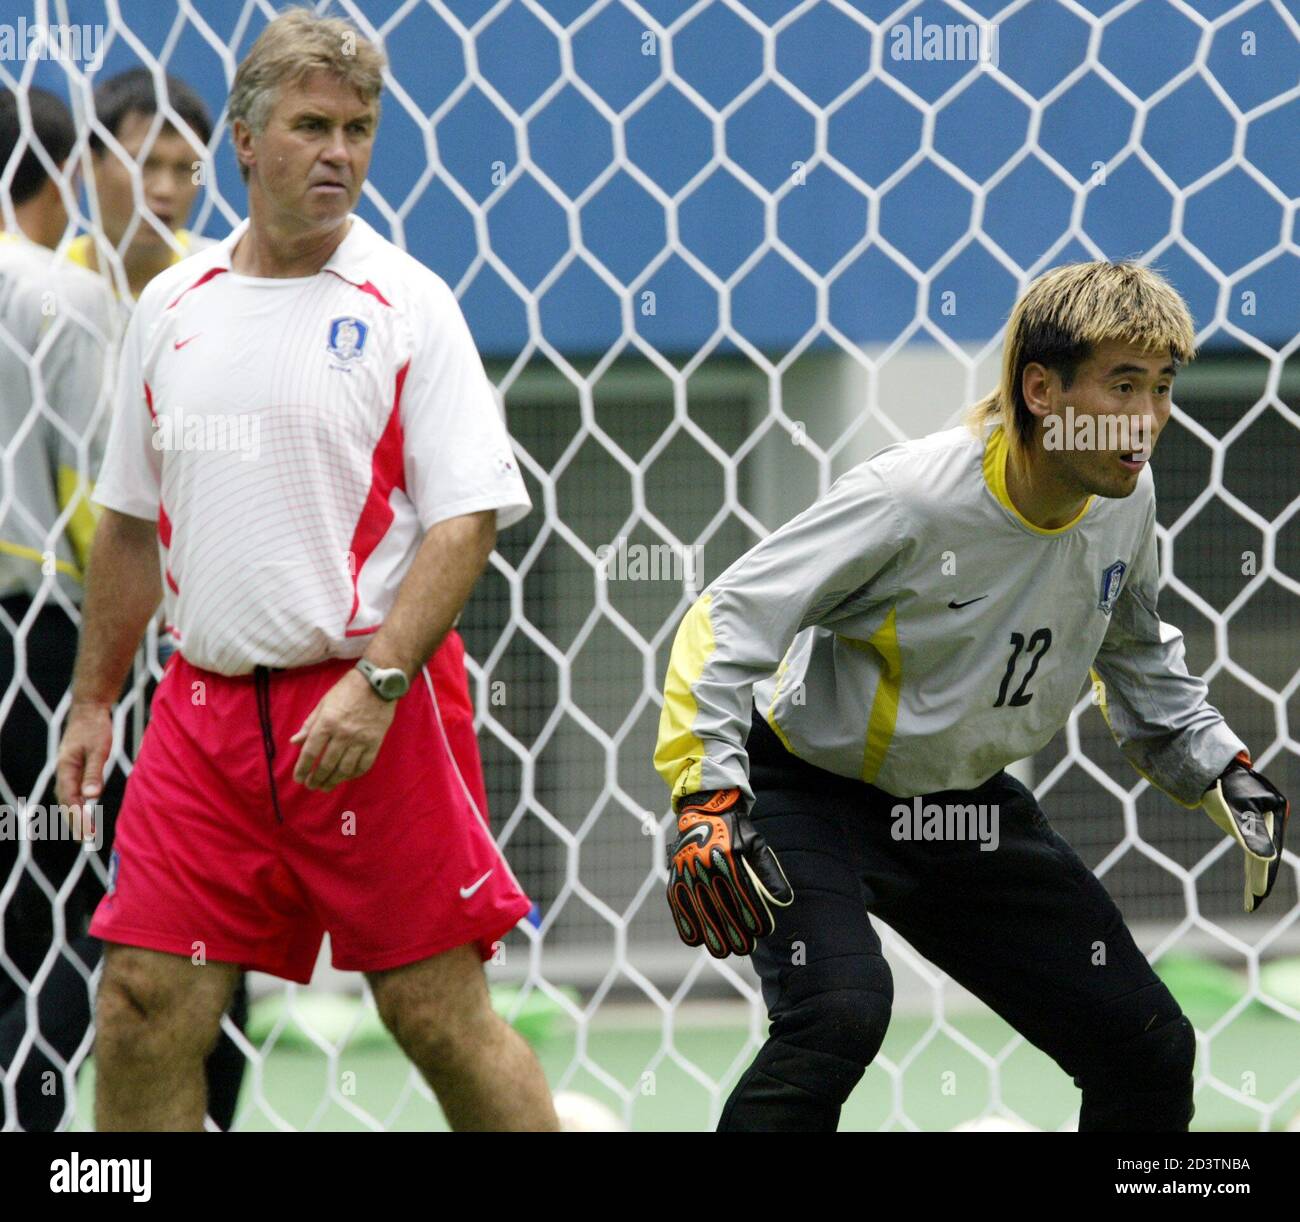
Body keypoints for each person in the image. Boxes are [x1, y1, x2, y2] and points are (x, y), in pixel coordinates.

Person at [55, 8, 557, 1132]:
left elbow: (467, 519)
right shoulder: (172, 308)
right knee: (140, 1003)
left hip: (375, 709)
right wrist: (94, 696)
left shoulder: (407, 304)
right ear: (245, 138)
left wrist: (378, 681)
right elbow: (130, 527)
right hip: (203, 719)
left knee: (433, 1012)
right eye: (312, 125)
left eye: (361, 129)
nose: (340, 152)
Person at [654, 261, 1289, 1132]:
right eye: (1123, 385)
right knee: (838, 1012)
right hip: (808, 792)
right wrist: (709, 797)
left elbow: (1138, 658)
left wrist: (1224, 769)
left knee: (1146, 1044)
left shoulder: (1124, 500)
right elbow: (726, 621)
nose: (1148, 420)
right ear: (1039, 388)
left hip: (963, 812)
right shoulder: (911, 497)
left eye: (1163, 388)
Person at [66, 68, 214, 300]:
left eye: (185, 168)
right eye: (144, 165)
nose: (165, 189)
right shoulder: (47, 283)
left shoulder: (219, 281)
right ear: (91, 166)